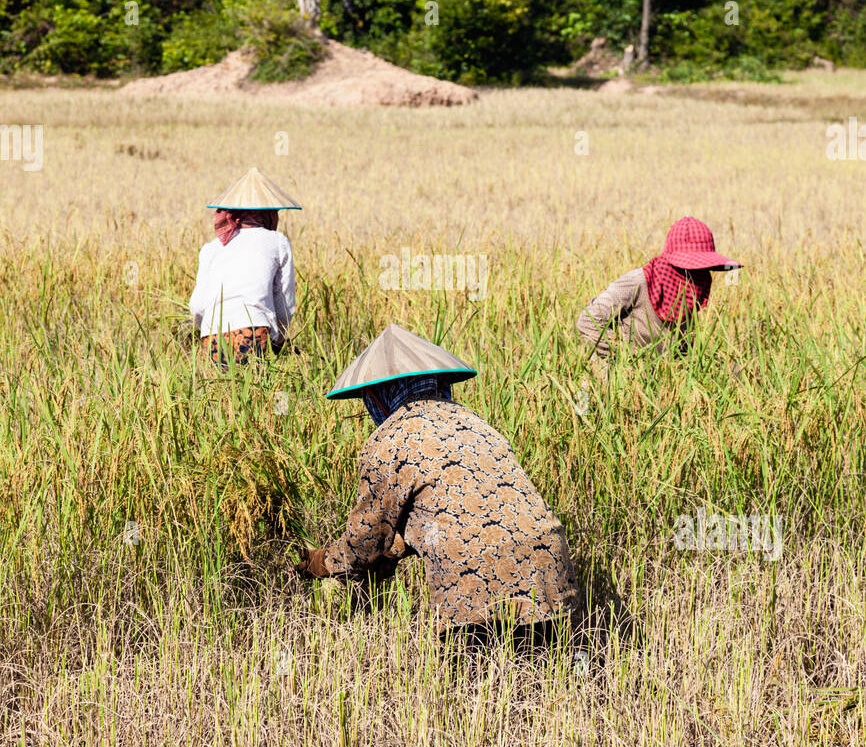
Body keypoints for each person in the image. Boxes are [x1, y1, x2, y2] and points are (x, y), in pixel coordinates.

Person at [298, 323, 579, 650]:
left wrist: (317, 562)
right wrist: (395, 551)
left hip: (474, 583)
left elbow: (363, 545)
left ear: (376, 397)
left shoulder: (386, 444)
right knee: (540, 684)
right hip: (548, 572)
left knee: (471, 689)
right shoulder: (477, 424)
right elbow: (458, 511)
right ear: (438, 383)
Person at [577, 217, 742, 362]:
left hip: (655, 389)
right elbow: (588, 320)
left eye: (703, 269)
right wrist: (623, 358)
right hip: (612, 387)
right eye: (692, 269)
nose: (700, 276)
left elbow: (681, 351)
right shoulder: (637, 282)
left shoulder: (691, 294)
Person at [190, 165, 301, 365]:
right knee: (256, 391)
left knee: (224, 391)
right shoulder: (277, 241)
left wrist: (209, 328)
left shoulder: (211, 248)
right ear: (270, 214)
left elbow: (197, 306)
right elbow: (284, 303)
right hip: (253, 331)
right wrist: (279, 339)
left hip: (212, 336)